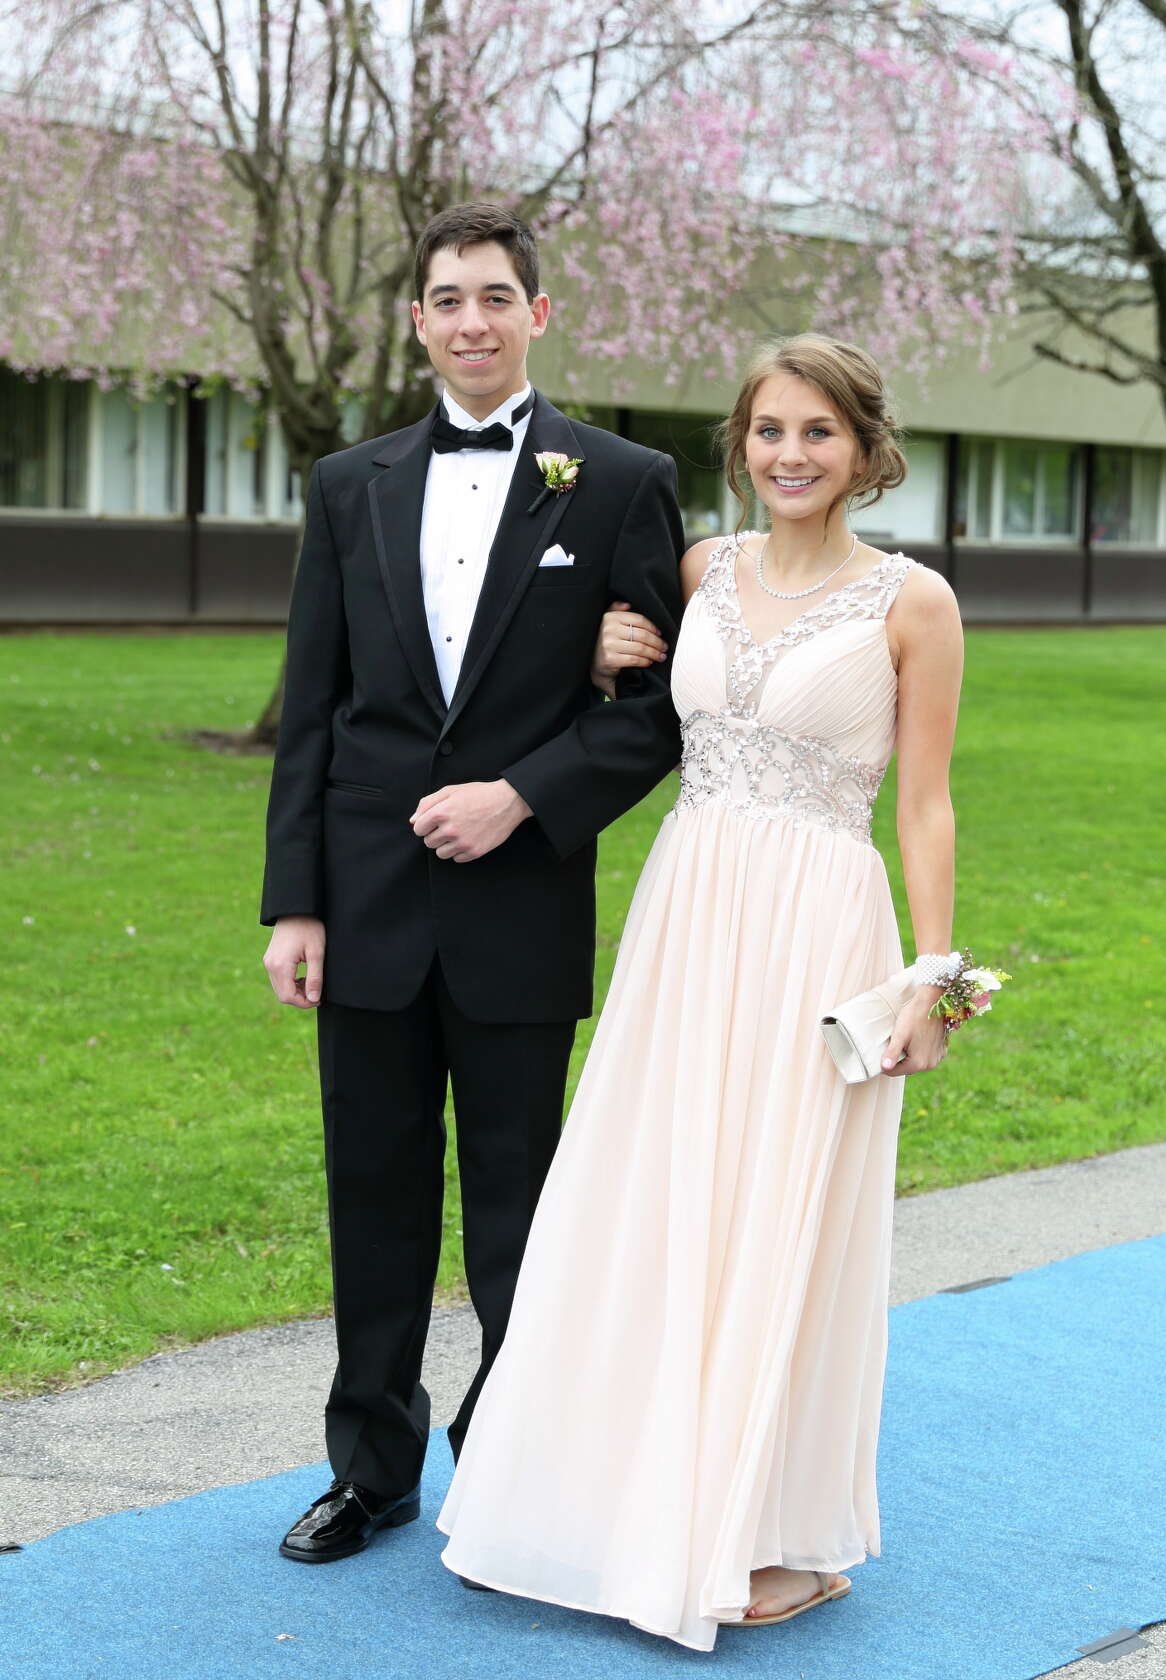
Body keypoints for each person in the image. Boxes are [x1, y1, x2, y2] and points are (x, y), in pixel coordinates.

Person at [437, 334, 965, 1649]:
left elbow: (929, 801)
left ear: (862, 448)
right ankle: (609, 1500)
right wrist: (613, 652)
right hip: (691, 913)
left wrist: (932, 986)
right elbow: (629, 711)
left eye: (818, 433)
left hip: (820, 929)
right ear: (743, 443)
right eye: (770, 430)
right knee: (658, 1189)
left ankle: (756, 1524)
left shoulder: (915, 601)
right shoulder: (697, 570)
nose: (791, 455)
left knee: (782, 1210)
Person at [259, 202, 684, 1564]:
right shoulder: (347, 485)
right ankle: (371, 1467)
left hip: (519, 908)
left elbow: (661, 708)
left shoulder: (618, 481)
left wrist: (523, 798)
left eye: (497, 296)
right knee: (371, 1197)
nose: (472, 320)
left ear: (538, 316)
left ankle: (510, 1471)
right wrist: (296, 902)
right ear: (420, 321)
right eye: (448, 299)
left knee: (518, 1211)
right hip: (367, 908)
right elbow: (313, 709)